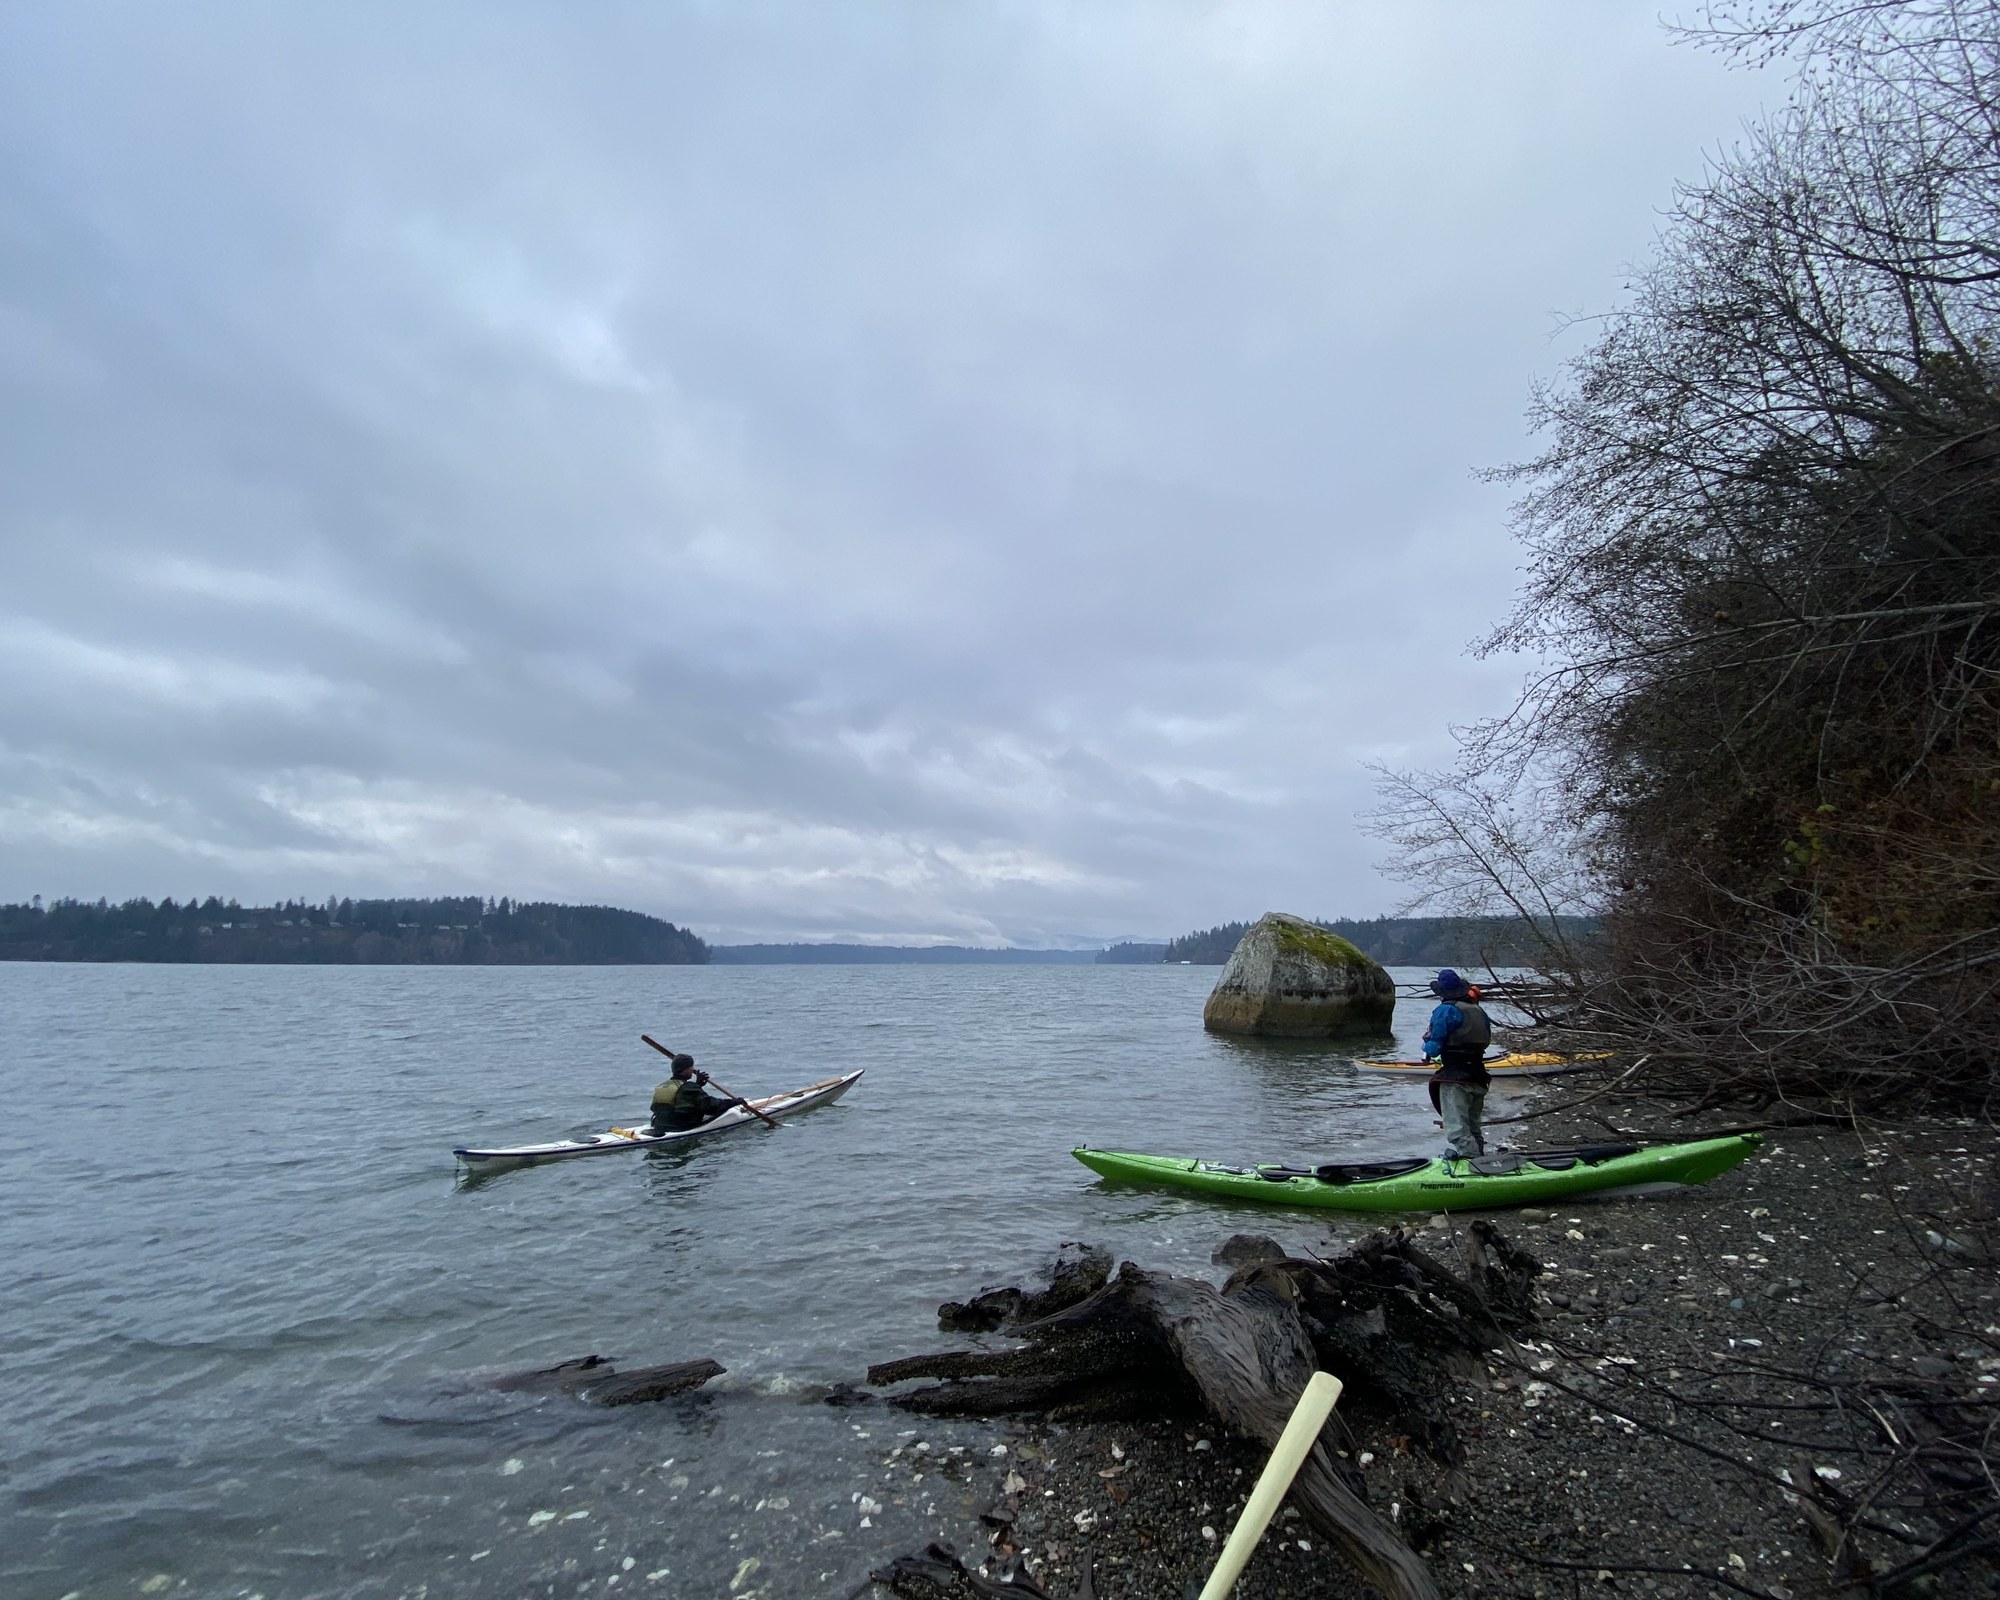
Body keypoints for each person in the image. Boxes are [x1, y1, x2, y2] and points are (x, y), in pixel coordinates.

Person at [1421, 969, 1492, 1161]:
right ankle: (1480, 1158)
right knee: (1473, 1126)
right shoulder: (1479, 1011)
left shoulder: (1445, 1011)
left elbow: (1433, 1048)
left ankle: (1472, 1164)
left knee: (1456, 1130)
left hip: (1455, 1078)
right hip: (1479, 1076)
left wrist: (1425, 1045)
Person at [648, 1054, 739, 1134]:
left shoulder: (662, 1086)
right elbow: (711, 1107)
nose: (692, 1069)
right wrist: (735, 1102)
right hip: (681, 1127)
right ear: (686, 1070)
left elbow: (680, 1097)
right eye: (691, 1067)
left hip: (660, 1125)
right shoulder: (690, 1088)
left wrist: (697, 1085)